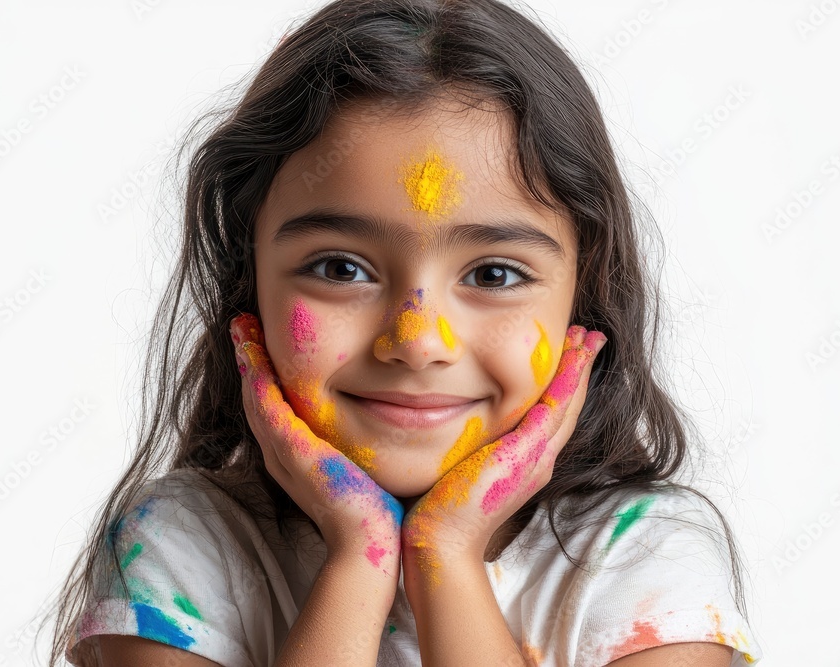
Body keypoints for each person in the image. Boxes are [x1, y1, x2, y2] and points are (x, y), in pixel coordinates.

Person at [46, 0, 763, 665]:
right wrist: (357, 555)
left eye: (493, 275)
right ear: (248, 279)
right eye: (340, 267)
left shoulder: (648, 559)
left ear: (586, 295)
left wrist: (444, 552)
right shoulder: (180, 545)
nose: (418, 340)